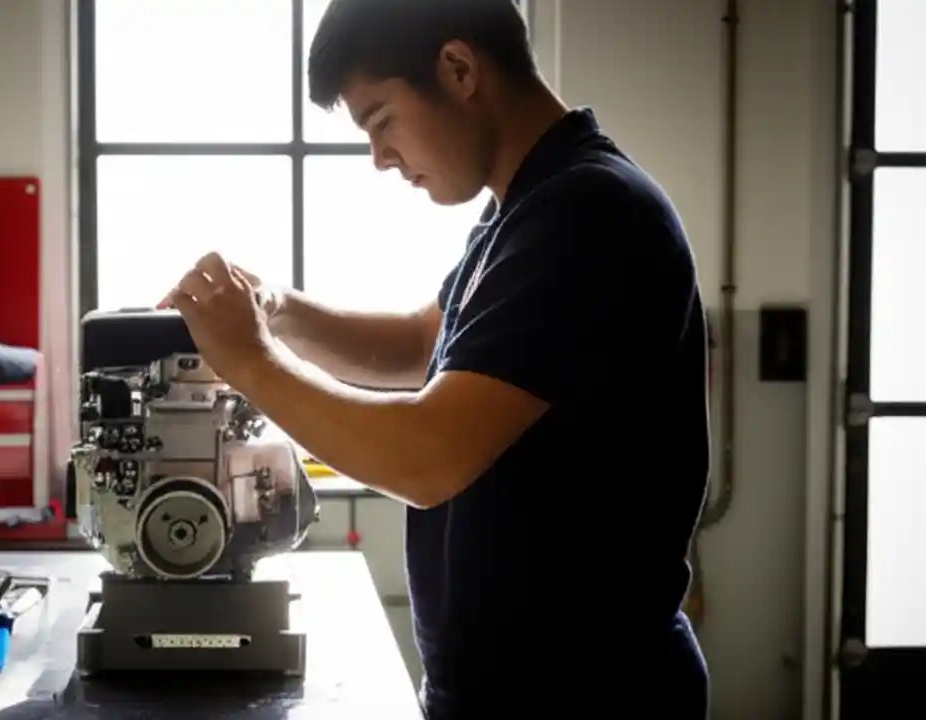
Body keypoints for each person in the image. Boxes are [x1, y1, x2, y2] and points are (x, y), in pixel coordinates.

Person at [161, 0, 710, 717]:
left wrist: (252, 360)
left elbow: (427, 458)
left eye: (382, 120)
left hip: (587, 695)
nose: (380, 158)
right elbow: (428, 343)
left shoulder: (588, 211)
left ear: (458, 69)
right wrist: (281, 311)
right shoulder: (524, 208)